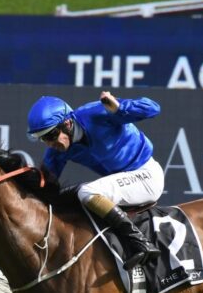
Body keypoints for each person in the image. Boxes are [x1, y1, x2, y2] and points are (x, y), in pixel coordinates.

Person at [26, 91, 163, 271]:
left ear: (67, 123)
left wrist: (120, 109)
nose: (49, 144)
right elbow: (45, 184)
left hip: (147, 175)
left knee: (87, 192)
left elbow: (154, 108)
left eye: (51, 135)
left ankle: (140, 243)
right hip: (124, 182)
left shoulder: (97, 113)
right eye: (43, 139)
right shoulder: (58, 150)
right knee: (71, 199)